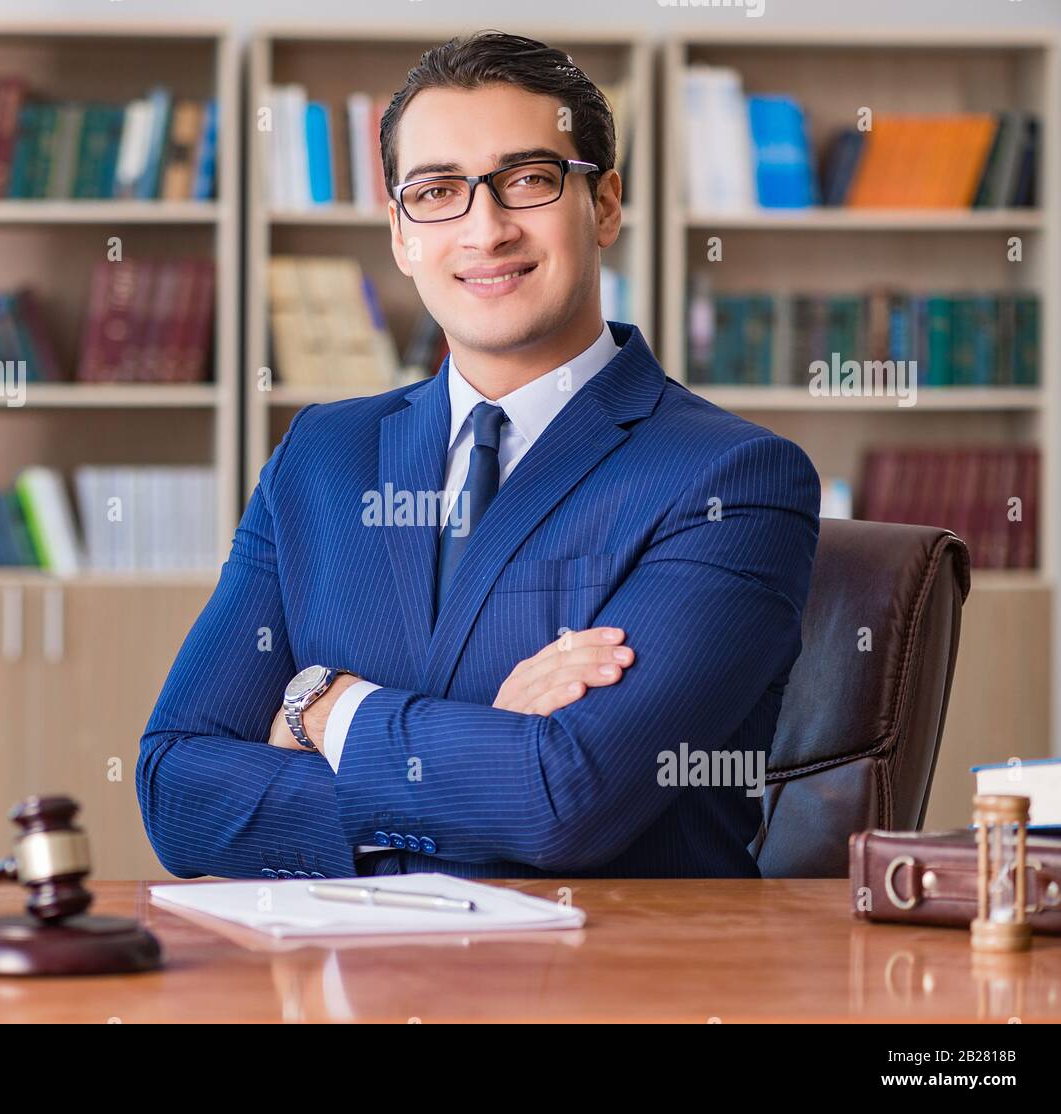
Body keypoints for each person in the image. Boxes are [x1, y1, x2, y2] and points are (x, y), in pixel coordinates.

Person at [137, 30, 820, 880]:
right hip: (350, 994)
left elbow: (565, 802)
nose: (484, 229)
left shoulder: (734, 479)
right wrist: (483, 753)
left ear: (604, 205)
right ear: (399, 232)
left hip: (617, 986)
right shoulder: (320, 457)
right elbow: (175, 788)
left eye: (528, 181)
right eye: (436, 192)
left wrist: (324, 707)